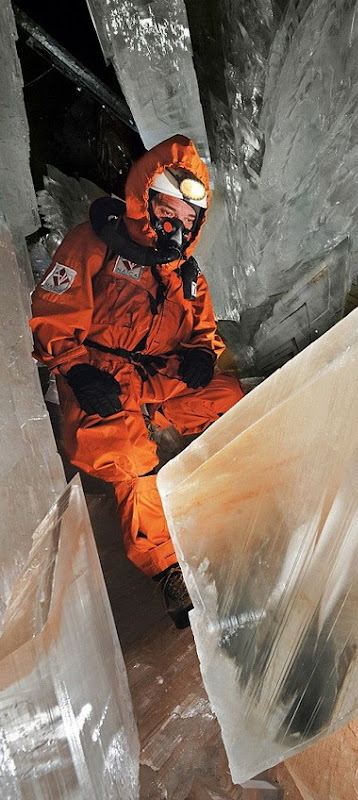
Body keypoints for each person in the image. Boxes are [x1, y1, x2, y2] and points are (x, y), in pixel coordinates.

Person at [30, 135, 244, 628]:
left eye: (190, 217)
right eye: (172, 208)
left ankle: (251, 492)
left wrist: (199, 357)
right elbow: (54, 315)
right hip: (104, 386)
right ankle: (167, 570)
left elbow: (204, 333)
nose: (179, 224)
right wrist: (77, 370)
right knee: (130, 458)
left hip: (160, 388)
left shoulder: (187, 276)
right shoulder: (95, 245)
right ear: (144, 198)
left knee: (233, 397)